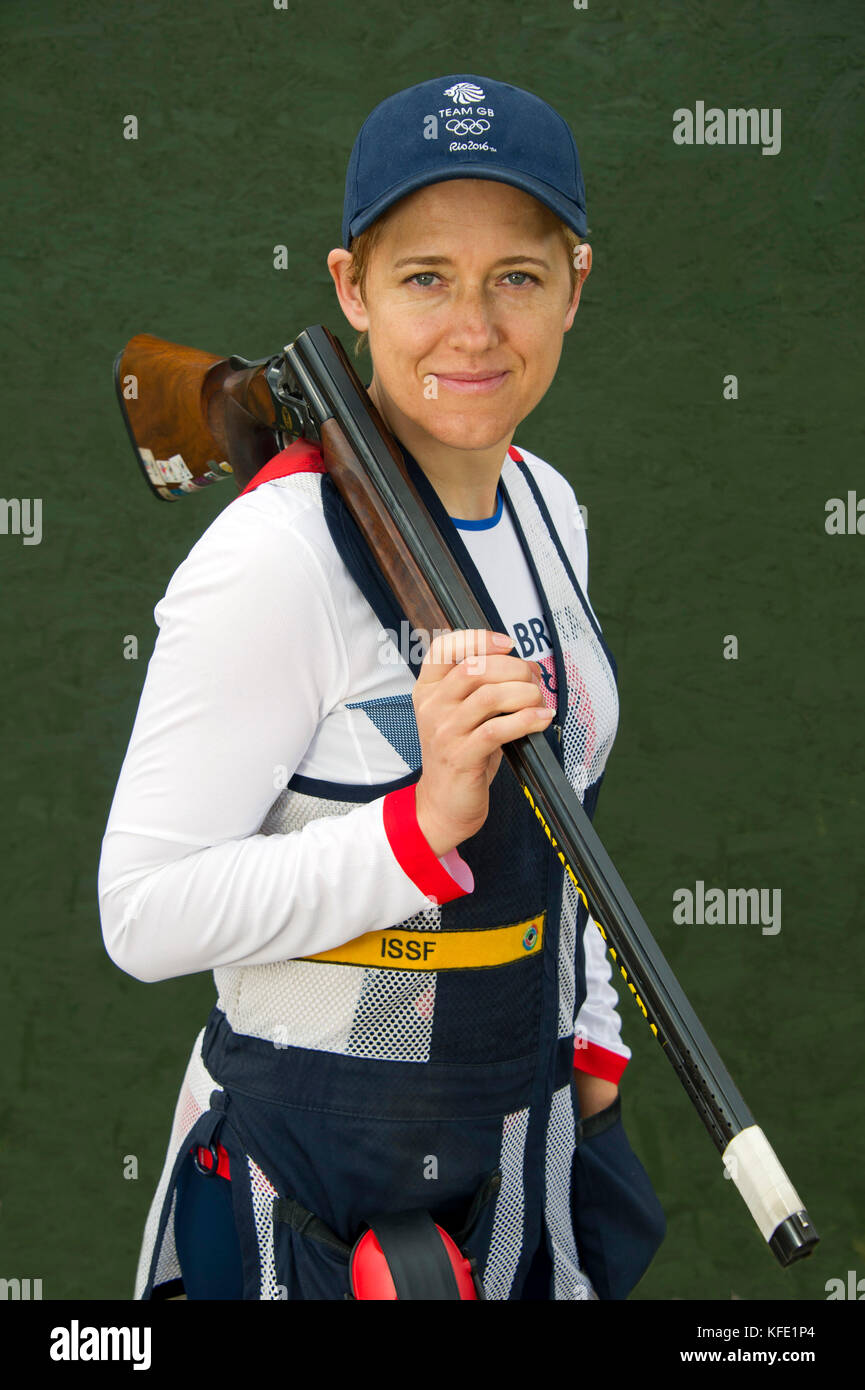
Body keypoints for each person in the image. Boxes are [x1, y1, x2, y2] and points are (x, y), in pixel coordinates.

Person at [98, 72, 665, 1301]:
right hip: (312, 1180)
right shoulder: (274, 557)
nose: (474, 328)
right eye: (423, 278)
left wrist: (591, 1051)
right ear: (349, 288)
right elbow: (140, 914)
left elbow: (562, 819)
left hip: (519, 1150)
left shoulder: (548, 506)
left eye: (517, 277)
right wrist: (416, 828)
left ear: (576, 284)